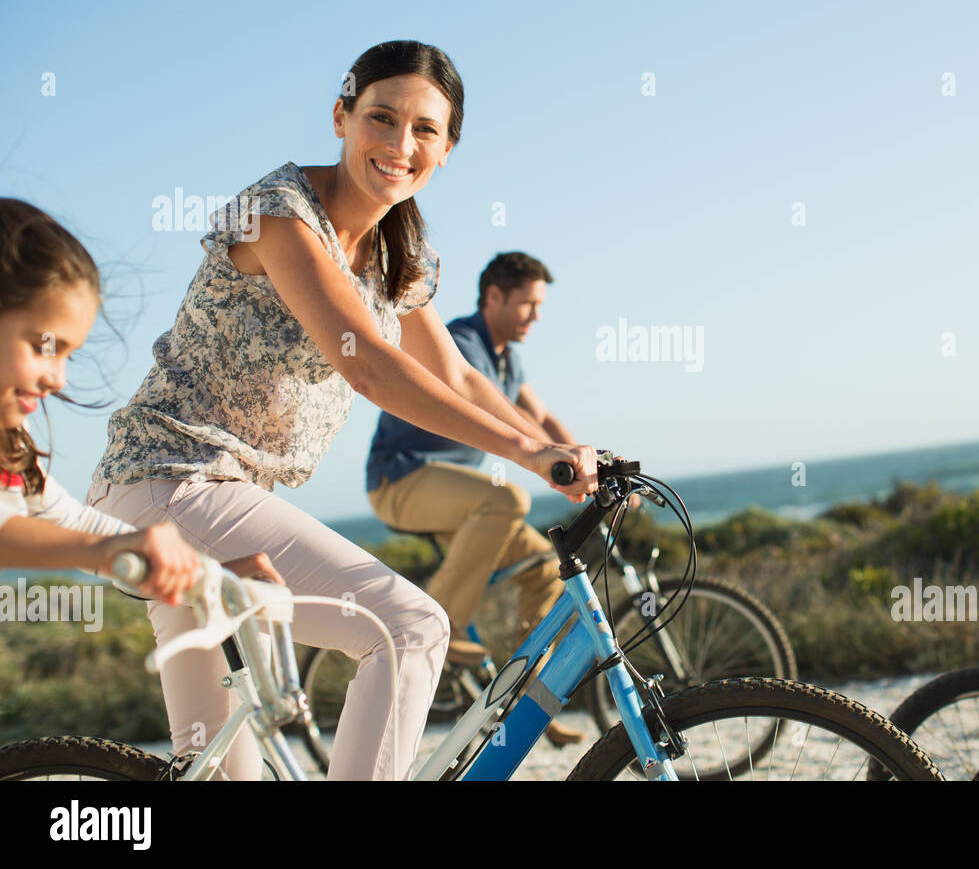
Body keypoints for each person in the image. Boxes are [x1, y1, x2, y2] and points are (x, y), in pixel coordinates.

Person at [84, 41, 597, 780]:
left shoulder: (399, 256)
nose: (399, 144)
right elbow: (369, 367)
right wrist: (528, 457)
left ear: (447, 150)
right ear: (340, 117)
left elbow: (451, 374)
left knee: (219, 772)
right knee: (408, 629)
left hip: (210, 507)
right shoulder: (277, 215)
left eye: (425, 130)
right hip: (173, 480)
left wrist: (564, 450)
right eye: (380, 119)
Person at [366, 251, 599, 747]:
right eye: (527, 304)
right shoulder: (463, 341)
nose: (536, 315)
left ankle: (528, 699)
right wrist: (544, 455)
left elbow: (543, 418)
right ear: (494, 297)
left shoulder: (509, 358)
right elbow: (494, 407)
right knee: (507, 499)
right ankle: (445, 621)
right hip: (400, 482)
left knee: (546, 567)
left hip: (454, 497)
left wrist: (590, 462)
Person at [0, 199, 280, 600]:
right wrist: (105, 551)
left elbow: (64, 521)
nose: (57, 379)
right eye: (43, 346)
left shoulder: (9, 437)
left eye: (68, 355)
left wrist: (202, 572)